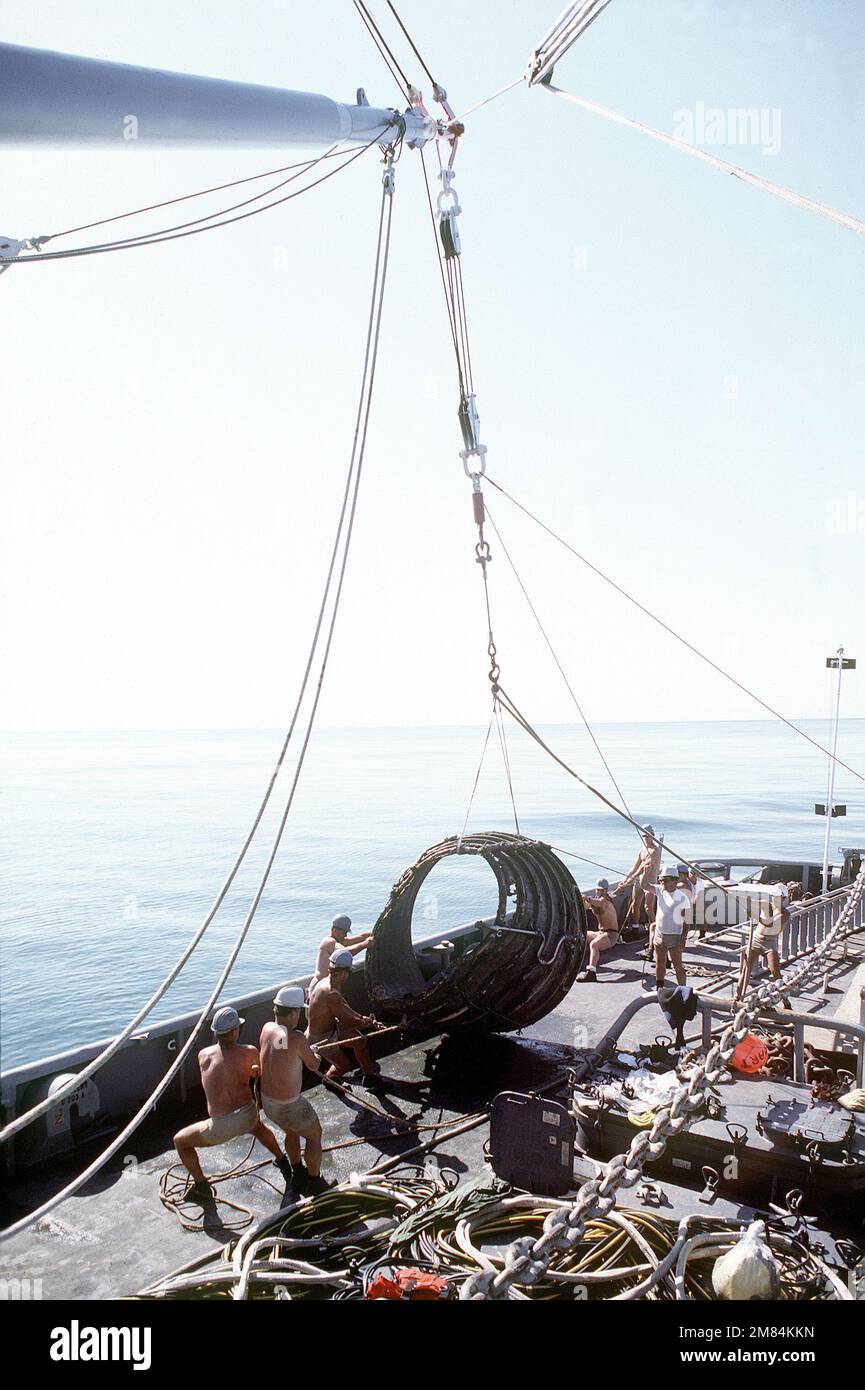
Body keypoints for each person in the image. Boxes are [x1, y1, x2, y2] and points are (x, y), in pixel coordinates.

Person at [173, 1005, 288, 1200]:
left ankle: (202, 1185)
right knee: (259, 1129)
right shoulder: (250, 1052)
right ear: (235, 1031)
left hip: (220, 1127)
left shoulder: (203, 1055)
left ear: (215, 1033)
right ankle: (282, 1160)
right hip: (248, 1115)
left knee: (180, 1141)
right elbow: (259, 1073)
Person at [259, 986, 330, 1194]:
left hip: (268, 1104)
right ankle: (315, 1181)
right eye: (298, 1012)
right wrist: (315, 1052)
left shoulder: (267, 1028)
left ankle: (297, 1169)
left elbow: (281, 1049)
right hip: (289, 1105)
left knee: (291, 1130)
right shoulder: (297, 1038)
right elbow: (313, 1066)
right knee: (314, 1135)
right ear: (293, 1013)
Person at [306, 947, 380, 1085]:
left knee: (360, 1041)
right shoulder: (330, 993)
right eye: (349, 972)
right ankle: (329, 1080)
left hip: (332, 1028)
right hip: (321, 1038)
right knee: (344, 1066)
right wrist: (365, 1022)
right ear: (344, 972)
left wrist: (361, 1017)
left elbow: (343, 1007)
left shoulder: (328, 982)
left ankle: (369, 1076)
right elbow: (348, 1021)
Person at [737, 884, 791, 1007]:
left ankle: (786, 1001)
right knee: (746, 970)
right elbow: (751, 901)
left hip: (770, 943)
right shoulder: (766, 904)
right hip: (756, 940)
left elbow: (770, 924)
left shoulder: (785, 914)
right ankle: (737, 998)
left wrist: (754, 916)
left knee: (775, 972)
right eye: (773, 896)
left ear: (783, 898)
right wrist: (736, 897)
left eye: (777, 897)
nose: (774, 899)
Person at [309, 913, 373, 990]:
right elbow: (344, 953)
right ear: (334, 930)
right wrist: (365, 944)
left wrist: (374, 933)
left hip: (328, 984)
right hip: (320, 985)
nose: (346, 936)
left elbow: (361, 937)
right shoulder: (329, 942)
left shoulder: (339, 940)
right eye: (344, 933)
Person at [652, 865, 691, 989]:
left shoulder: (682, 898)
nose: (662, 882)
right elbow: (644, 885)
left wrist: (683, 938)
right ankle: (659, 988)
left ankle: (683, 990)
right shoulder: (659, 891)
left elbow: (687, 921)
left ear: (675, 881)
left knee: (677, 965)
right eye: (661, 880)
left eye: (665, 880)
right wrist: (647, 868)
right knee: (660, 962)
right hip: (659, 934)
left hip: (674, 936)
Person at [617, 825, 662, 930]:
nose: (645, 838)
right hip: (638, 881)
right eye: (644, 836)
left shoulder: (655, 851)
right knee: (635, 905)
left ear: (652, 835)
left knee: (648, 907)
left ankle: (655, 930)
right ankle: (635, 928)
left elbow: (642, 869)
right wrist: (625, 880)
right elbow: (634, 867)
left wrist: (627, 882)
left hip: (650, 881)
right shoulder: (642, 850)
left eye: (647, 836)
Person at [576, 879, 620, 982]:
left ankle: (591, 973)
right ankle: (576, 963)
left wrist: (586, 898)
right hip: (600, 933)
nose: (598, 892)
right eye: (597, 889)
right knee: (582, 935)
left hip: (611, 935)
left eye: (601, 890)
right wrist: (580, 899)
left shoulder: (605, 901)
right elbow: (585, 907)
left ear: (605, 890)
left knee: (594, 945)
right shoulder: (596, 900)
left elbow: (599, 903)